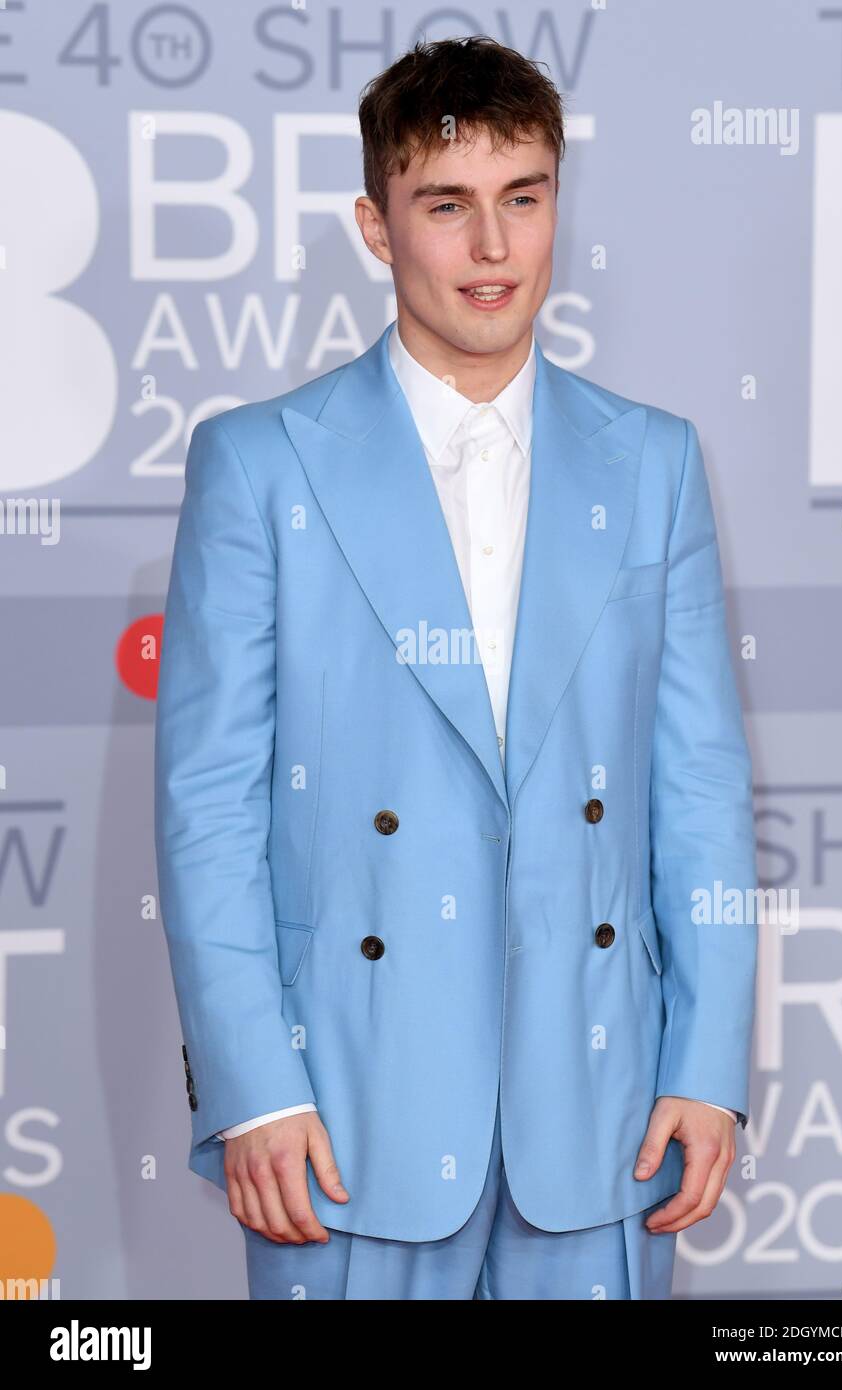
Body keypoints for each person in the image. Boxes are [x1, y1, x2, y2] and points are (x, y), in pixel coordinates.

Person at [154, 34, 758, 1301]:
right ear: (378, 227)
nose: (493, 248)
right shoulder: (262, 467)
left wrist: (706, 1061)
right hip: (344, 1114)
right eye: (448, 205)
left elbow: (698, 788)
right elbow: (209, 807)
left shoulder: (653, 463)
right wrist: (254, 1084)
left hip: (596, 1111)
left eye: (523, 198)